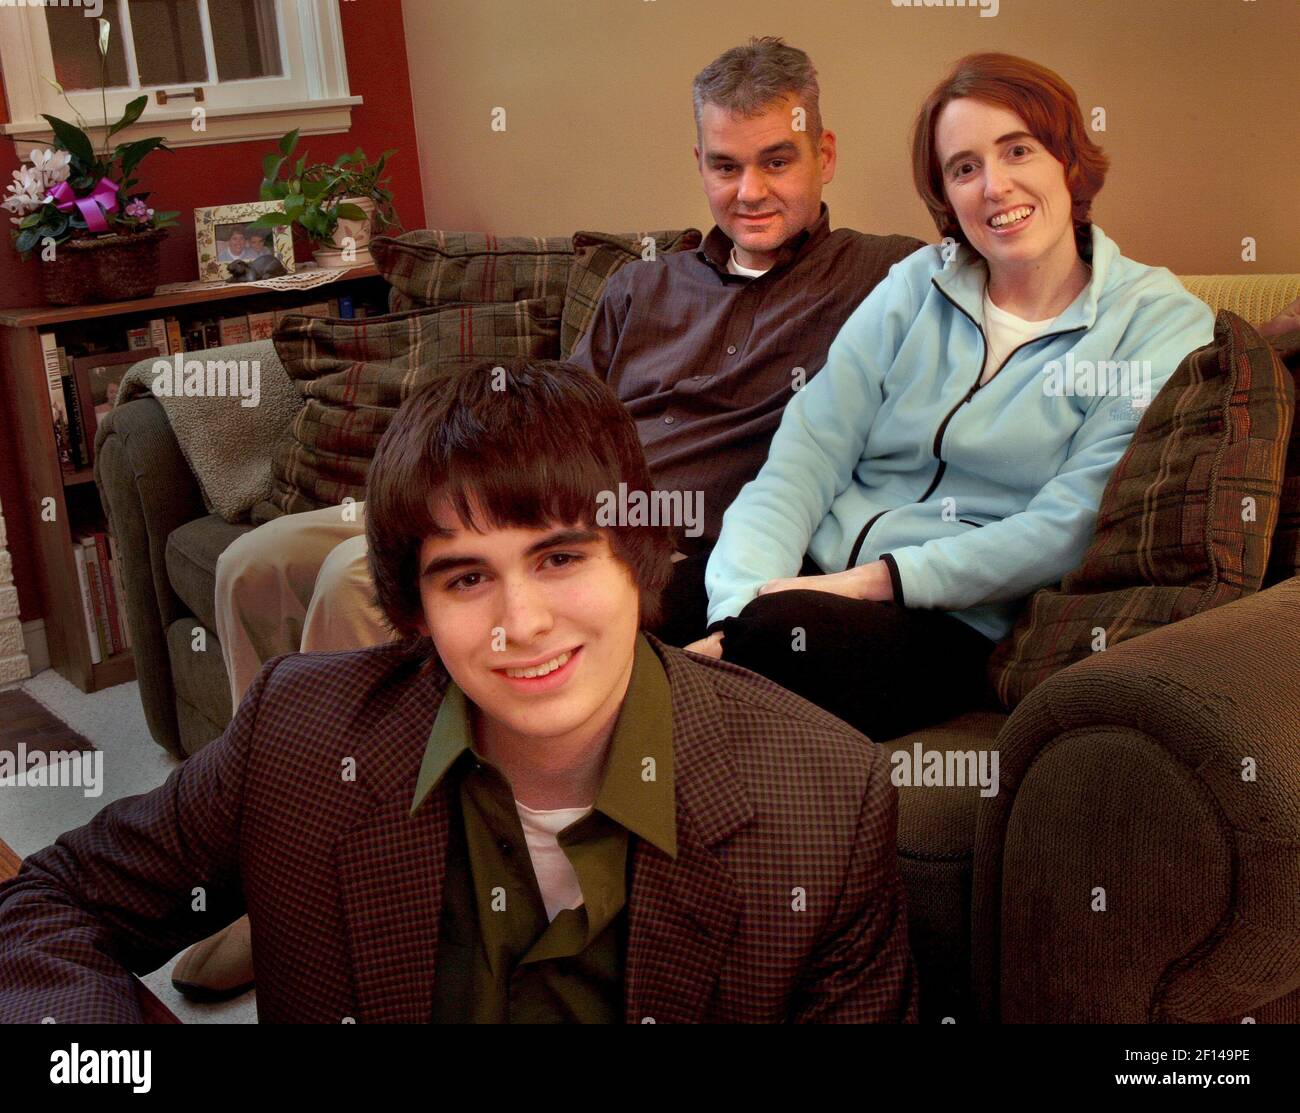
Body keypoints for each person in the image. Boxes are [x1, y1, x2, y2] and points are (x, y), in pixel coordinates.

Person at [175, 37, 924, 999]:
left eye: (777, 161)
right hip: (525, 501)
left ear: (825, 155)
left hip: (637, 543)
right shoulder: (640, 286)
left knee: (352, 584)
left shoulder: (879, 280)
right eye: (725, 165)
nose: (750, 191)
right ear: (697, 163)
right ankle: (277, 846)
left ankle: (345, 866)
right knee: (258, 558)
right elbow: (546, 421)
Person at [0, 358, 918, 1024]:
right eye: (467, 578)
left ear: (637, 563)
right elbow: (49, 900)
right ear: (417, 606)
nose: (522, 620)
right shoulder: (300, 732)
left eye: (559, 557)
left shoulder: (827, 800)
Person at [686, 52, 1218, 742]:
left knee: (776, 633)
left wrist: (861, 584)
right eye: (964, 168)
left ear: (1068, 159)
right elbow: (806, 452)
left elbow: (1068, 523)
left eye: (1017, 150)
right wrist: (732, 609)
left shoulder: (1156, 320)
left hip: (950, 616)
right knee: (640, 603)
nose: (994, 186)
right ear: (945, 191)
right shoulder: (917, 283)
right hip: (799, 582)